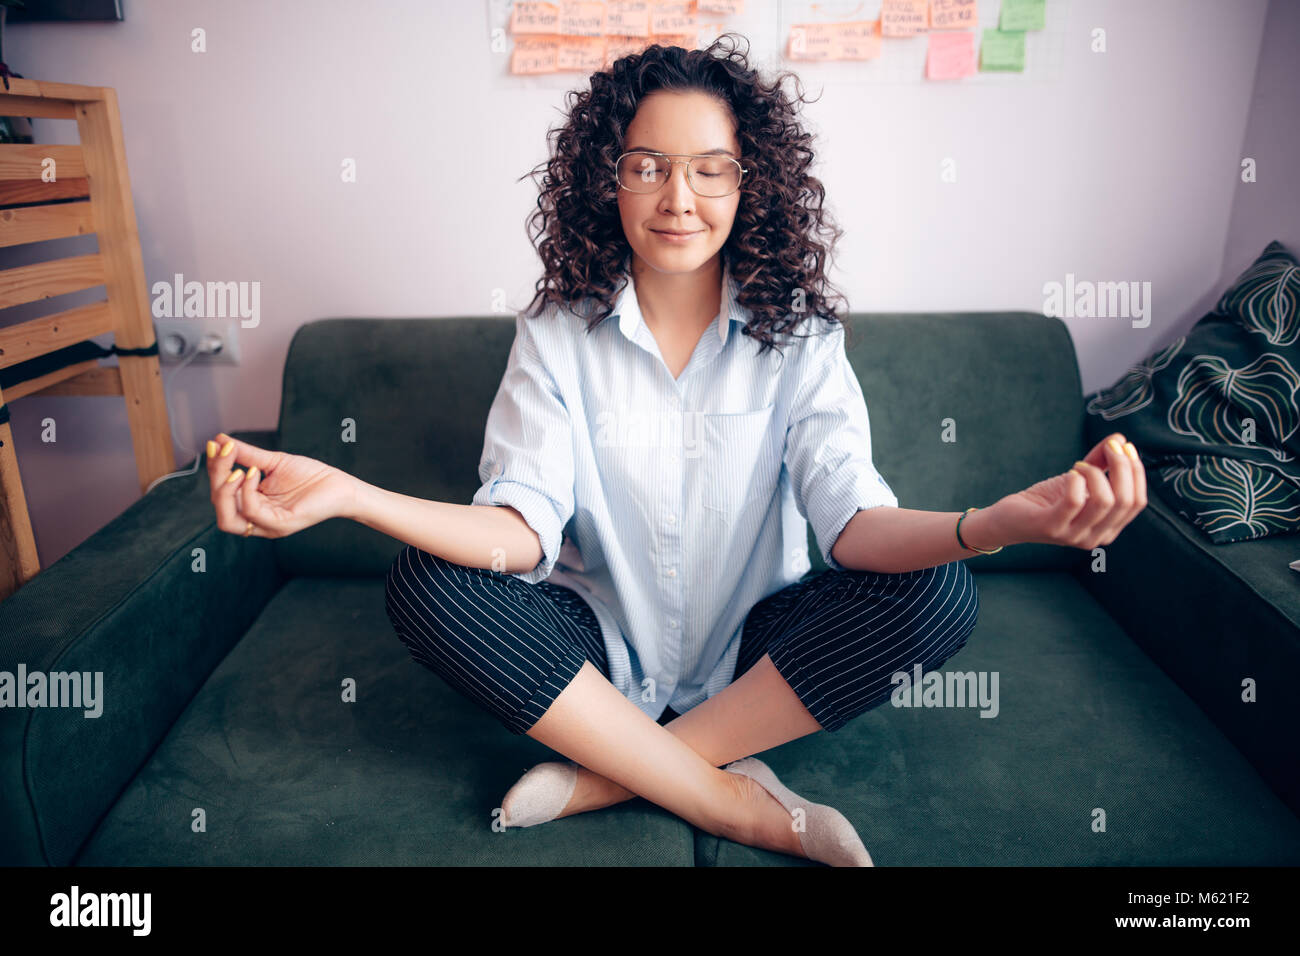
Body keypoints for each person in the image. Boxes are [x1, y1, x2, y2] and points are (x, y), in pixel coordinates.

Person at [204, 36, 1147, 867]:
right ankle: (731, 801)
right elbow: (519, 533)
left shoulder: (801, 336)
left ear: (750, 183)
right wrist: (352, 495)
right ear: (606, 178)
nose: (678, 199)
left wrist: (993, 524)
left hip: (759, 653)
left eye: (710, 170)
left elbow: (855, 526)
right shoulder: (555, 335)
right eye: (648, 166)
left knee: (940, 589)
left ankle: (605, 777)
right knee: (427, 583)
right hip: (594, 651)